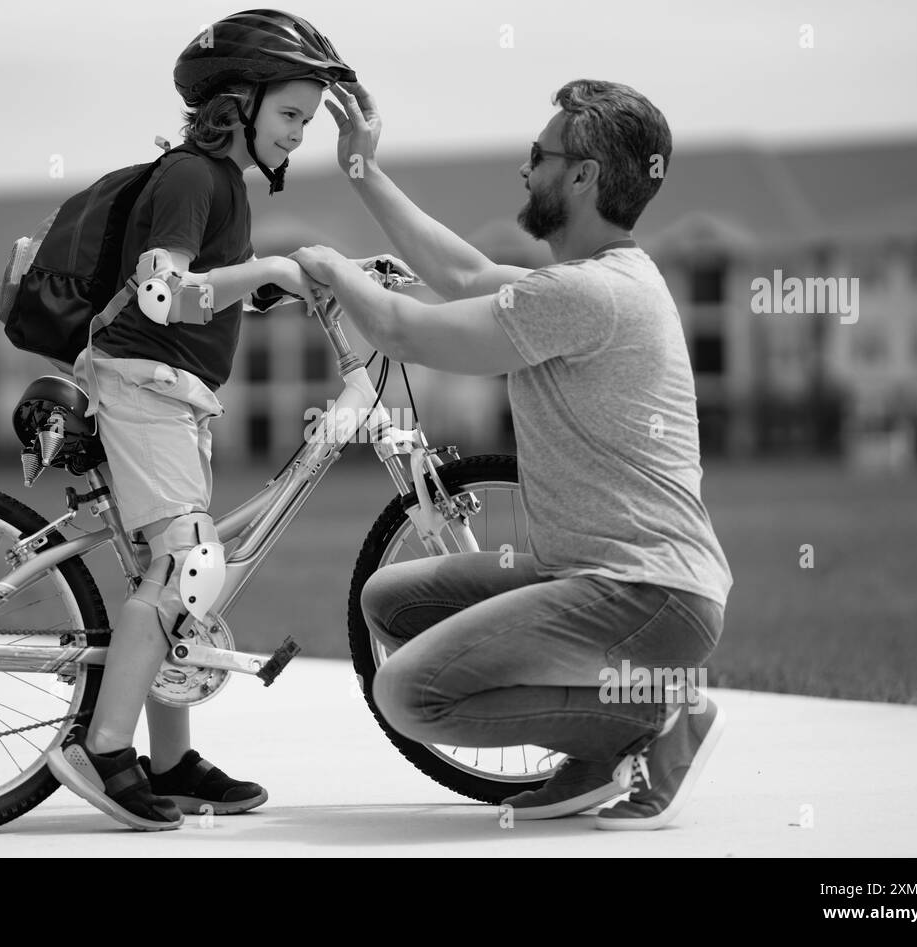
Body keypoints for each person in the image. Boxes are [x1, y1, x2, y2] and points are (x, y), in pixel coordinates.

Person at [290, 78, 733, 830]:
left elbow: (403, 332)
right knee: (393, 601)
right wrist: (362, 170)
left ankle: (655, 721)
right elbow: (460, 275)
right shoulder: (594, 284)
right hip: (602, 577)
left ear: (584, 176)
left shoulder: (587, 296)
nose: (526, 171)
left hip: (645, 594)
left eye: (540, 154)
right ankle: (597, 751)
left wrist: (332, 269)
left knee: (407, 694)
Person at [46, 9, 351, 831]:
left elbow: (215, 288)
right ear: (237, 104)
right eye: (289, 115)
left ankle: (172, 762)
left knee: (176, 574)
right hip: (142, 383)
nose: (298, 134)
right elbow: (162, 289)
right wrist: (273, 266)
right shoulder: (192, 176)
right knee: (186, 563)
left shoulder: (226, 186)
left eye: (307, 121)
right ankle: (104, 750)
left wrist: (311, 278)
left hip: (174, 392)